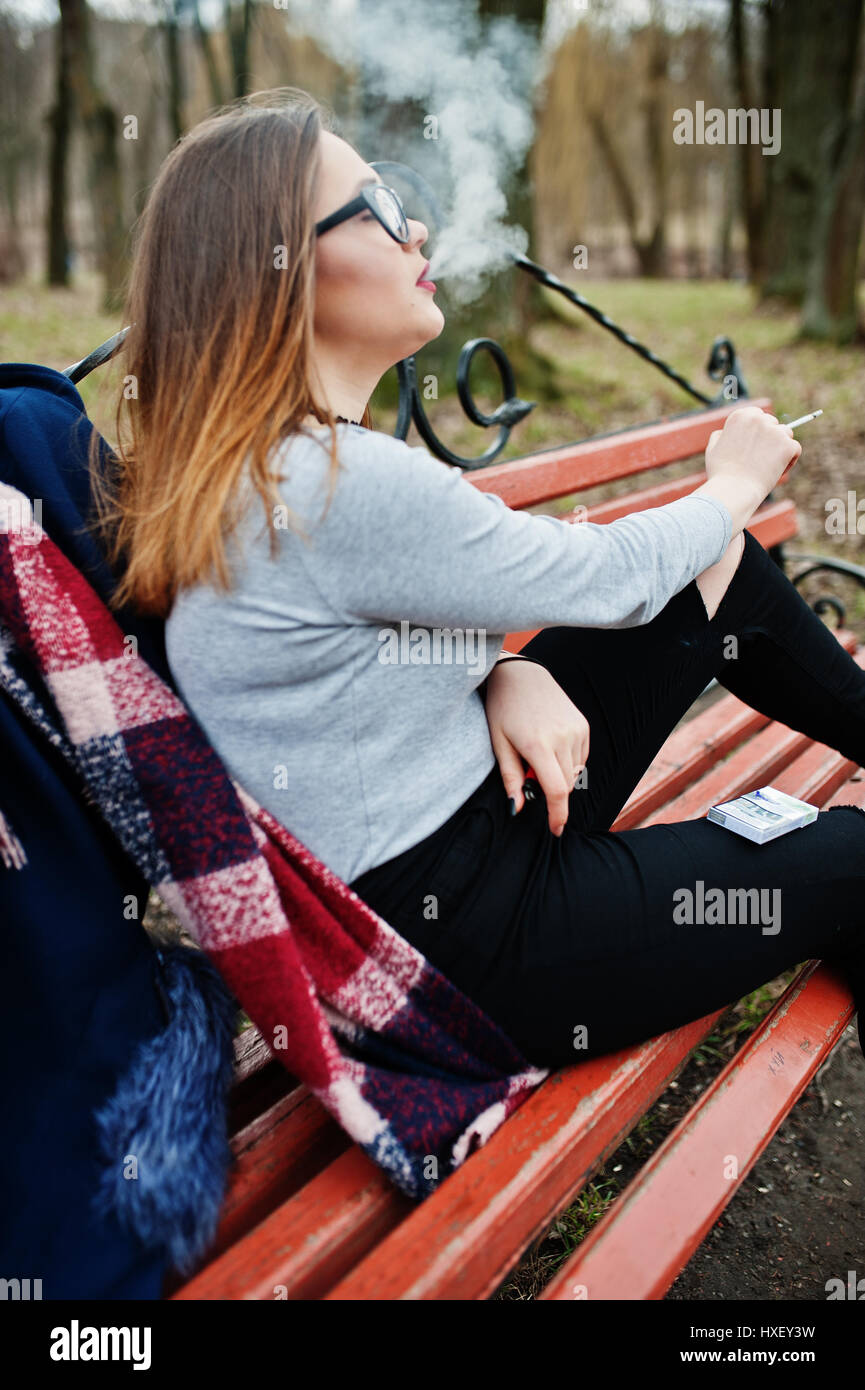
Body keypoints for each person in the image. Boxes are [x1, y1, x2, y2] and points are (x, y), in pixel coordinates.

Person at [89, 88, 865, 1073]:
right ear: (282, 270)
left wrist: (505, 673)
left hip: (479, 820)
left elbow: (351, 661)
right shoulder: (331, 482)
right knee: (853, 857)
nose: (414, 225)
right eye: (371, 207)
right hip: (465, 949)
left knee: (713, 563)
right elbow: (606, 576)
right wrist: (735, 481)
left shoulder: (259, 468)